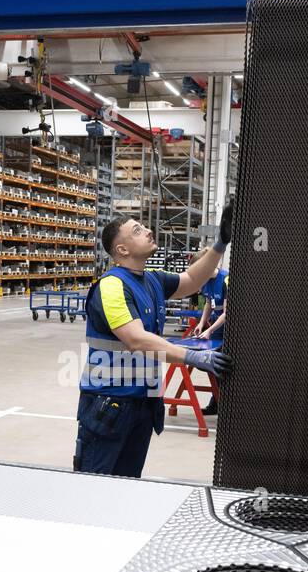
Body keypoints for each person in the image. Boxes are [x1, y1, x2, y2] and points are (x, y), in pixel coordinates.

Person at [73, 205, 234, 478]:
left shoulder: (152, 280)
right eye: (137, 230)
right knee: (95, 487)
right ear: (122, 249)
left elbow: (193, 279)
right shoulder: (112, 285)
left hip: (141, 404)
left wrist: (220, 243)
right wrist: (192, 356)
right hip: (109, 406)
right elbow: (136, 339)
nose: (148, 230)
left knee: (128, 485)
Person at [195, 265, 229, 416]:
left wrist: (210, 330)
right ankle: (216, 402)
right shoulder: (206, 280)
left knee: (224, 367)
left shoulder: (226, 279)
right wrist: (202, 324)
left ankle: (223, 404)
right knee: (213, 365)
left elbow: (227, 313)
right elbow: (209, 303)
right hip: (216, 325)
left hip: (228, 327)